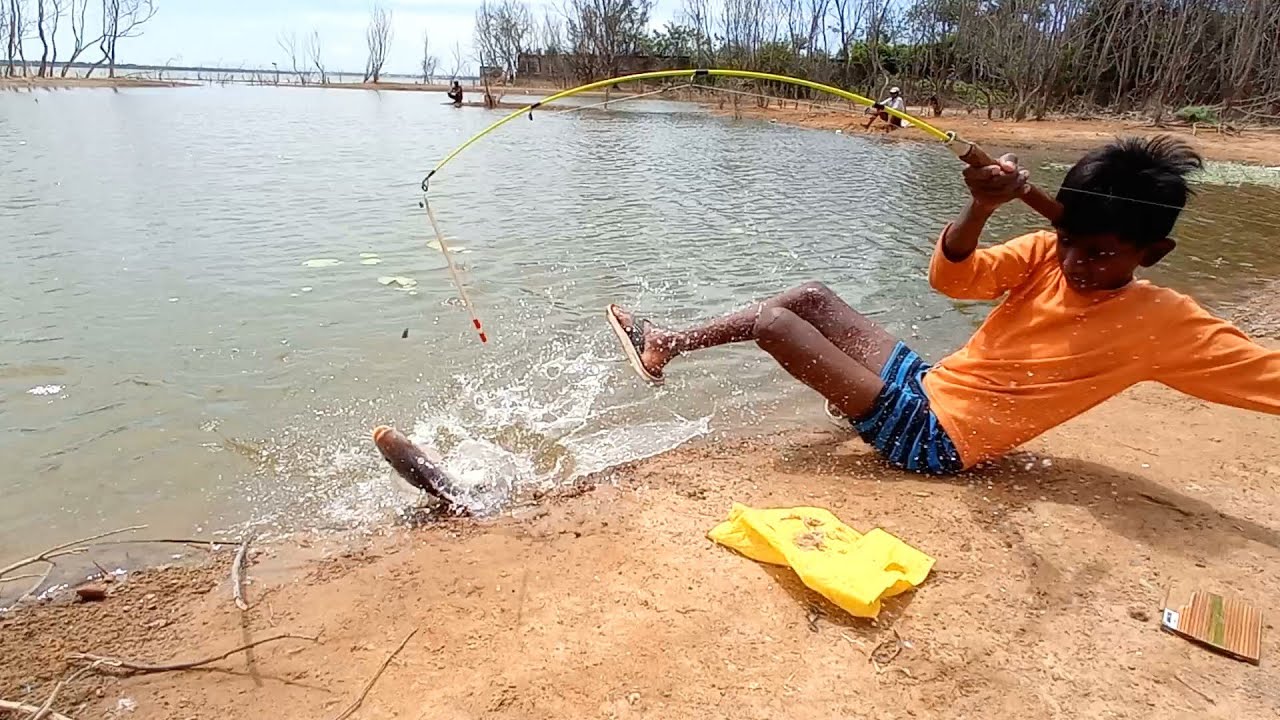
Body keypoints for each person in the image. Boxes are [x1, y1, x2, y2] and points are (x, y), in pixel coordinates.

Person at [605, 136, 1280, 475]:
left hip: (938, 440)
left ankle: (854, 408)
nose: (1076, 262)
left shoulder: (1164, 322)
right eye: (1068, 241)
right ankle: (665, 344)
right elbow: (954, 281)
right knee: (808, 297)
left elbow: (1264, 378)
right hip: (933, 384)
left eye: (1100, 253)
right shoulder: (1045, 253)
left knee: (772, 323)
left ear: (1152, 254)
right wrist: (980, 207)